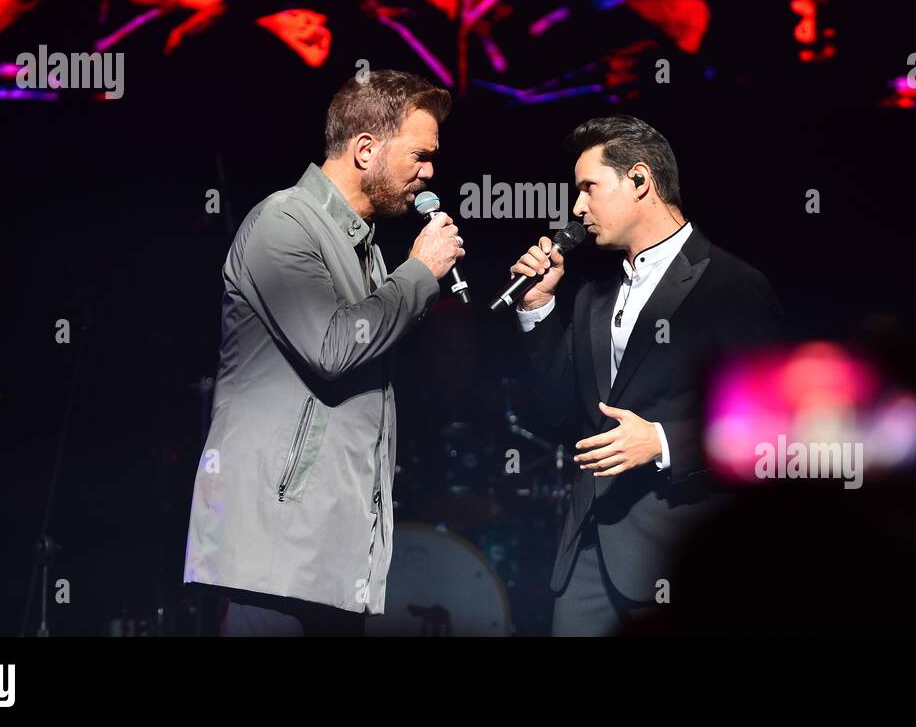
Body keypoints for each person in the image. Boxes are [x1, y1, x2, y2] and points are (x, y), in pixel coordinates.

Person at [184, 70, 464, 636]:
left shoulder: (368, 254)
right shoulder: (282, 222)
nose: (430, 172)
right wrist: (419, 273)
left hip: (336, 556)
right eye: (419, 154)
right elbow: (333, 347)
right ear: (366, 149)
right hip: (275, 553)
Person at [507, 115, 785, 636]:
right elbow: (560, 412)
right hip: (587, 554)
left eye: (589, 188)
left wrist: (661, 441)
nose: (577, 208)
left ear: (639, 180)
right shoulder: (593, 292)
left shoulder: (731, 285)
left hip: (679, 555)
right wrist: (539, 311)